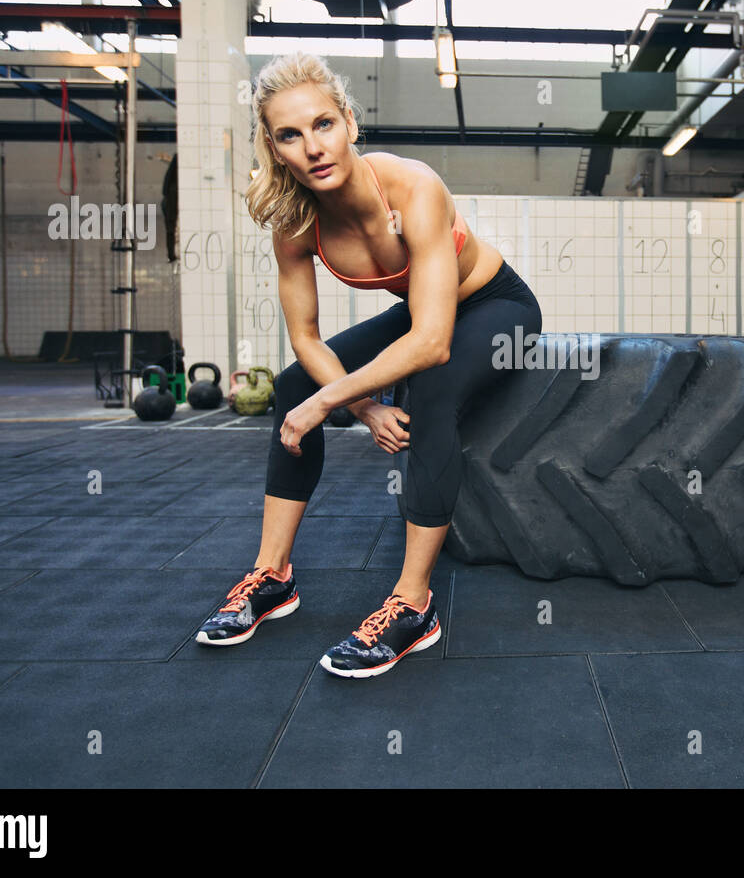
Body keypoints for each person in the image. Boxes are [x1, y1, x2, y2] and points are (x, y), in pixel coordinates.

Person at [194, 52, 542, 678]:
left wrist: (333, 403)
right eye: (290, 135)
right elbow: (305, 337)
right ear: (274, 150)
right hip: (423, 313)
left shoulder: (411, 187)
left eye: (323, 124)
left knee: (430, 388)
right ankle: (272, 576)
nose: (313, 147)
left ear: (350, 123)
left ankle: (414, 605)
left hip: (494, 304)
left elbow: (433, 341)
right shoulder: (295, 222)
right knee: (297, 382)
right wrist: (362, 405)